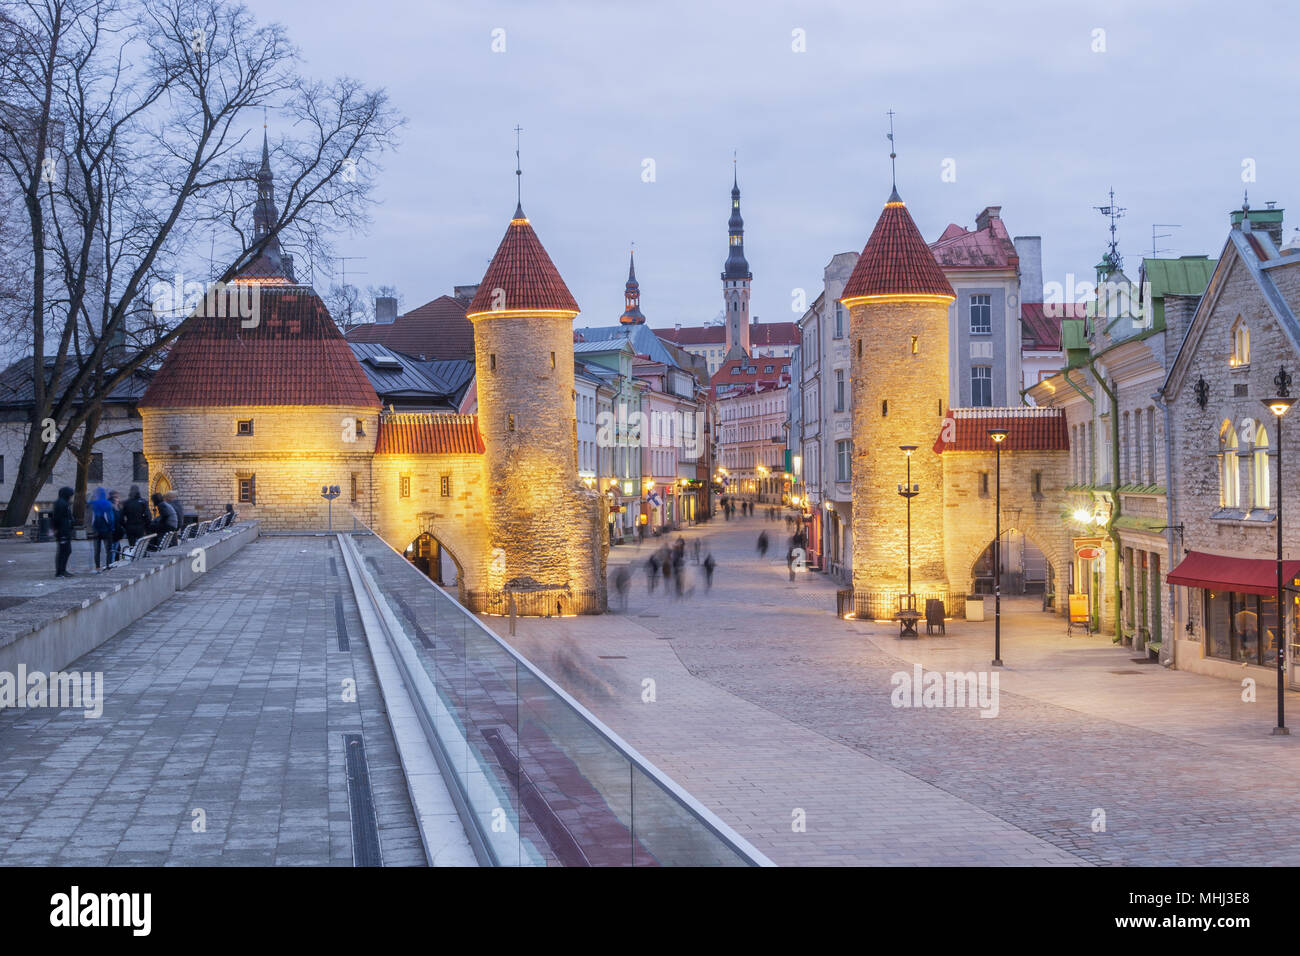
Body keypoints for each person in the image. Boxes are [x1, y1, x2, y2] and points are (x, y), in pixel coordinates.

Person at [89, 487, 116, 571]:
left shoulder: (93, 504)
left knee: (97, 550)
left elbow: (90, 518)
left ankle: (97, 566)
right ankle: (108, 565)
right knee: (108, 549)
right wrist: (111, 527)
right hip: (106, 530)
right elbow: (110, 518)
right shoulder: (108, 503)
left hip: (96, 530)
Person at [53, 486, 75, 577]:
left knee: (65, 551)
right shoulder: (61, 504)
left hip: (65, 530)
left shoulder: (64, 503)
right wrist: (58, 529)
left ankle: (62, 570)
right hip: (63, 531)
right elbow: (57, 518)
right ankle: (60, 571)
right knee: (64, 551)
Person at [108, 490, 126, 562]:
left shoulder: (118, 507)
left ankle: (114, 562)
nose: (117, 499)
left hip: (117, 532)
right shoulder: (111, 507)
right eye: (116, 497)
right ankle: (111, 563)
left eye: (117, 497)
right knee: (112, 549)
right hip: (113, 532)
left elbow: (121, 520)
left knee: (116, 548)